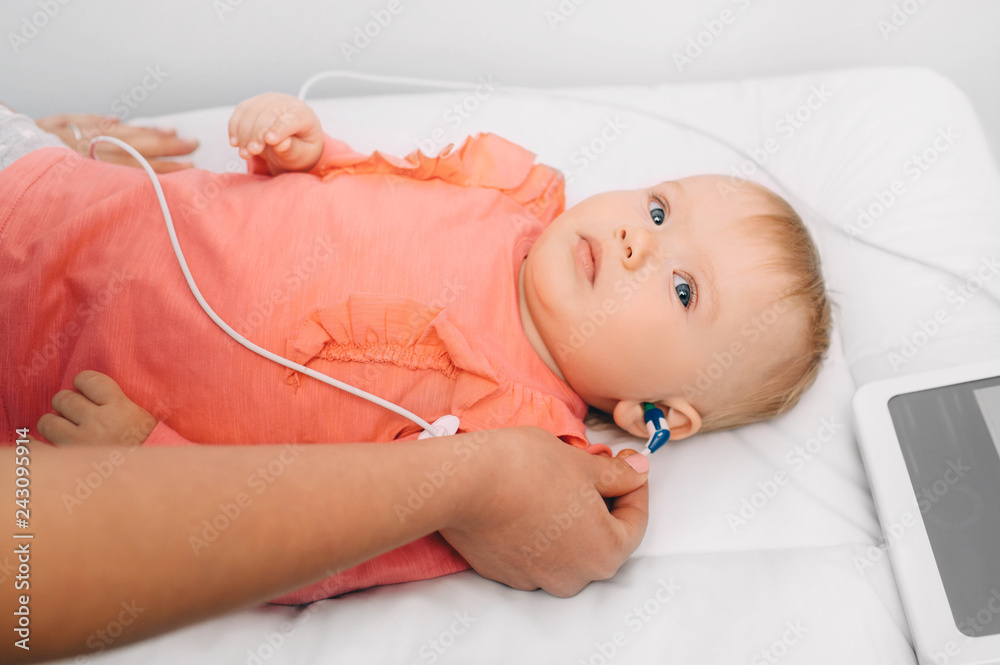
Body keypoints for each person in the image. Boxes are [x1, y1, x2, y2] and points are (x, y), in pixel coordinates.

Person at [0, 91, 829, 652]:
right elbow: (358, 189)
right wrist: (305, 148)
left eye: (683, 289)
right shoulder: (502, 195)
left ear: (662, 413)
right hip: (47, 189)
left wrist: (147, 460)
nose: (638, 241)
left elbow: (321, 553)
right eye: (658, 208)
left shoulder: (521, 449)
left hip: (41, 369)